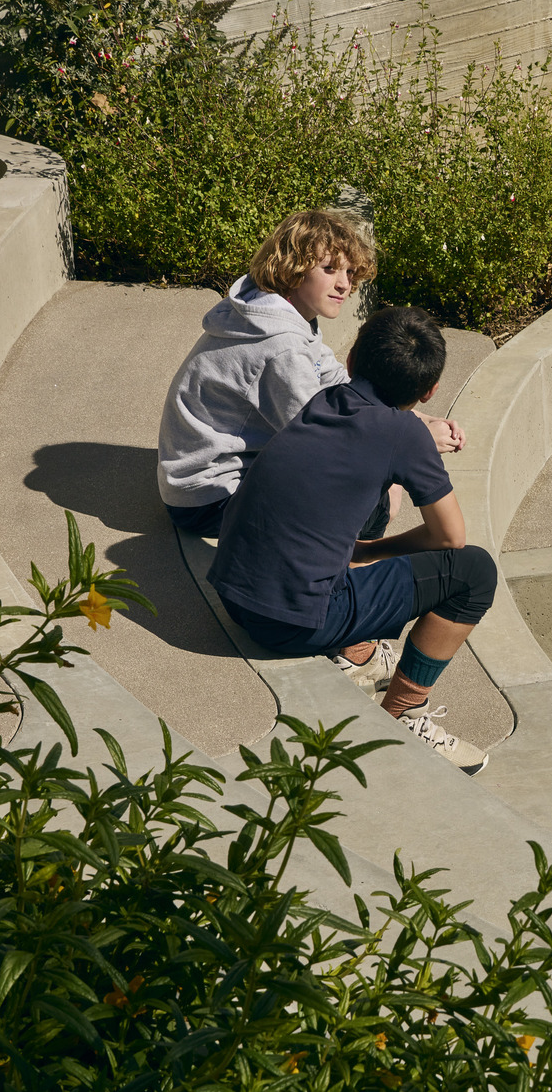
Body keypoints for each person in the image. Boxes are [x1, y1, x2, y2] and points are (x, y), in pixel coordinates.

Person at [156, 209, 462, 675]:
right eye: (330, 269)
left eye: (350, 274)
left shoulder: (273, 312)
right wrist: (409, 445)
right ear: (294, 266)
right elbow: (329, 435)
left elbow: (340, 383)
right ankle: (344, 584)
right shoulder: (277, 345)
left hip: (207, 470)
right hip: (208, 493)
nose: (345, 284)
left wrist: (413, 415)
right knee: (378, 490)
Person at [207, 306, 496, 774]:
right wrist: (373, 553)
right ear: (430, 391)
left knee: (374, 497)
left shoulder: (324, 400)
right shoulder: (403, 432)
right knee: (474, 573)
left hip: (235, 595)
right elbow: (451, 537)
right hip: (290, 624)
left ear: (353, 355)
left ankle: (357, 651)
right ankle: (405, 710)